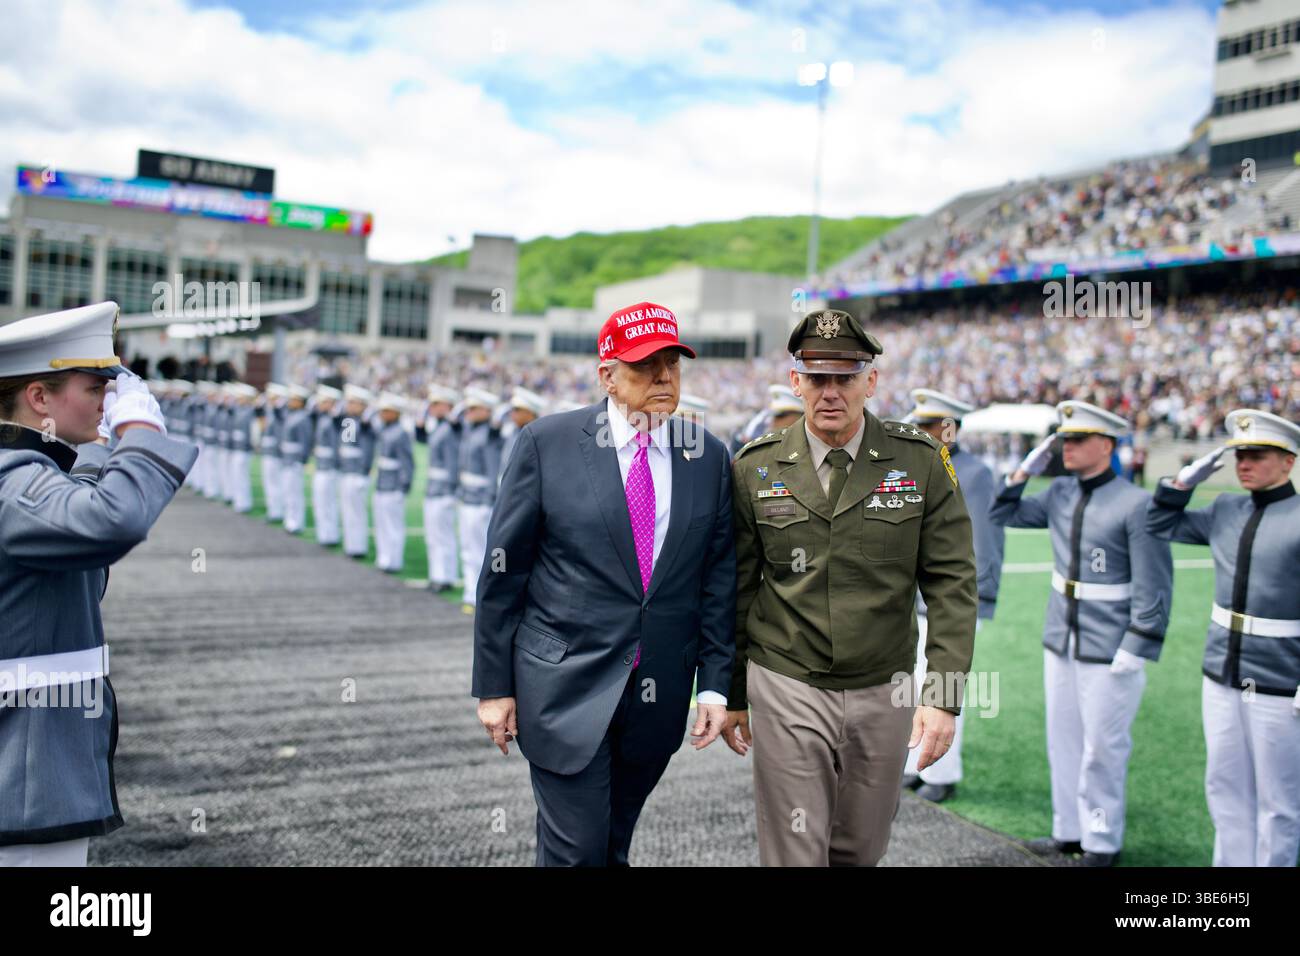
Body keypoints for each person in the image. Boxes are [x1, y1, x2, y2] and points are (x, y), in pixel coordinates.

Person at [472, 300, 735, 866]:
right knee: (579, 852)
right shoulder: (547, 444)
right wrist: (493, 687)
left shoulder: (707, 456)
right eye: (646, 366)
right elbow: (502, 572)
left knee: (611, 846)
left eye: (673, 364)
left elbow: (717, 581)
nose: (664, 378)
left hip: (656, 695)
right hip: (560, 689)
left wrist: (715, 684)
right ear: (608, 376)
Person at [721, 308, 977, 867]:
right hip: (787, 678)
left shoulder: (921, 461)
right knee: (796, 849)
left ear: (871, 381)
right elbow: (739, 589)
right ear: (796, 382)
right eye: (816, 377)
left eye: (845, 377)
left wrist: (944, 693)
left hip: (883, 685)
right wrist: (733, 691)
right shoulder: (755, 467)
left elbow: (952, 581)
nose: (830, 392)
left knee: (860, 848)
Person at [0, 302, 197, 867]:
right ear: (40, 398)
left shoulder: (29, 471)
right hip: (26, 776)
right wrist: (139, 430)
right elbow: (114, 519)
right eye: (96, 385)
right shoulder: (14, 481)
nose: (108, 399)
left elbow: (79, 500)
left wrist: (112, 447)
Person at [990, 400, 1173, 867]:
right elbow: (1004, 514)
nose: (1065, 447)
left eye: (1076, 440)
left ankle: (1101, 840)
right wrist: (1021, 472)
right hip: (1062, 635)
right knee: (1063, 739)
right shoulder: (1061, 493)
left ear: (1106, 445)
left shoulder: (1137, 503)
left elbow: (1154, 584)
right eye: (1063, 439)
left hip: (1111, 645)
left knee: (1103, 748)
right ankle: (1068, 831)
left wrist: (1139, 641)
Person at [1146, 409, 1300, 867]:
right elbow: (1159, 526)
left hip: (1280, 679)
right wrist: (1180, 484)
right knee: (1224, 785)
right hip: (1220, 671)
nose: (1244, 463)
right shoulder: (1225, 508)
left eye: (1257, 454)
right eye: (1239, 455)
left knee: (1280, 801)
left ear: (1288, 461)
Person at [900, 388, 1005, 803]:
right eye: (921, 424)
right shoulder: (915, 464)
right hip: (914, 599)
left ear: (951, 428)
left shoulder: (974, 473)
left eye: (931, 425)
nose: (922, 432)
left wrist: (982, 594)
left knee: (944, 689)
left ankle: (942, 774)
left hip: (951, 600)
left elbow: (983, 537)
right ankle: (914, 764)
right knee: (910, 687)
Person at [456, 386, 502, 614]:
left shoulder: (489, 436)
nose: (469, 412)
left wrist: (488, 500)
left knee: (479, 550)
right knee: (467, 548)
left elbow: (493, 471)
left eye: (475, 408)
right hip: (467, 497)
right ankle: (469, 593)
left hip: (481, 500)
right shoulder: (470, 430)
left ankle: (478, 597)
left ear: (487, 410)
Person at [423, 386, 461, 593]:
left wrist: (450, 490)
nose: (432, 407)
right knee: (433, 535)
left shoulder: (449, 430)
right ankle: (437, 574)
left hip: (443, 489)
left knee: (443, 534)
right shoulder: (439, 427)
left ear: (447, 406)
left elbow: (452, 463)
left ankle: (445, 576)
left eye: (437, 404)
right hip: (434, 488)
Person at [372, 392, 414, 573]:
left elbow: (407, 462)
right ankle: (384, 558)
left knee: (393, 526)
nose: (382, 414)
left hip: (394, 484)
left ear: (395, 413)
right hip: (382, 483)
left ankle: (393, 561)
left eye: (386, 411)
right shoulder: (385, 429)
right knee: (381, 524)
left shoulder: (401, 433)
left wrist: (403, 485)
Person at [337, 384, 377, 560]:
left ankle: (358, 547)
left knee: (357, 512)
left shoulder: (367, 424)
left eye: (354, 402)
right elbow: (346, 447)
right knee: (347, 511)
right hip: (347, 472)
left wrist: (364, 471)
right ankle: (350, 544)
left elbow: (367, 450)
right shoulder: (349, 421)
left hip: (358, 473)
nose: (349, 405)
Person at [311, 385, 344, 546]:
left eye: (323, 401)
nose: (319, 404)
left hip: (333, 466)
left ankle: (331, 535)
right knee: (321, 502)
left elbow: (348, 444)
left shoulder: (344, 419)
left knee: (330, 503)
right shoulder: (323, 417)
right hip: (321, 465)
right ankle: (324, 534)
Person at [278, 385, 313, 535]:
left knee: (295, 493)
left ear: (300, 402)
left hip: (295, 460)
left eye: (294, 399)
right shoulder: (291, 415)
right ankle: (289, 520)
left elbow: (306, 441)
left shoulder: (303, 418)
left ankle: (296, 522)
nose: (290, 402)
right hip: (287, 459)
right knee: (287, 491)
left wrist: (302, 460)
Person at [498, 386, 545, 483]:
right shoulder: (513, 430)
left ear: (530, 412)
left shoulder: (539, 436)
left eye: (517, 410)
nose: (512, 413)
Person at [225, 383, 258, 514]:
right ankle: (239, 500)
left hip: (244, 448)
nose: (238, 399)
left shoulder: (251, 411)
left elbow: (254, 432)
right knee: (236, 475)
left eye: (241, 397)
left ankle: (245, 502)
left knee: (242, 476)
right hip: (236, 446)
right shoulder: (238, 410)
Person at [258, 383, 287, 522]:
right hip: (268, 451)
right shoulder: (269, 411)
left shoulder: (282, 411)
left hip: (277, 452)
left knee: (278, 483)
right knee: (269, 482)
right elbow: (262, 426)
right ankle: (273, 510)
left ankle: (278, 511)